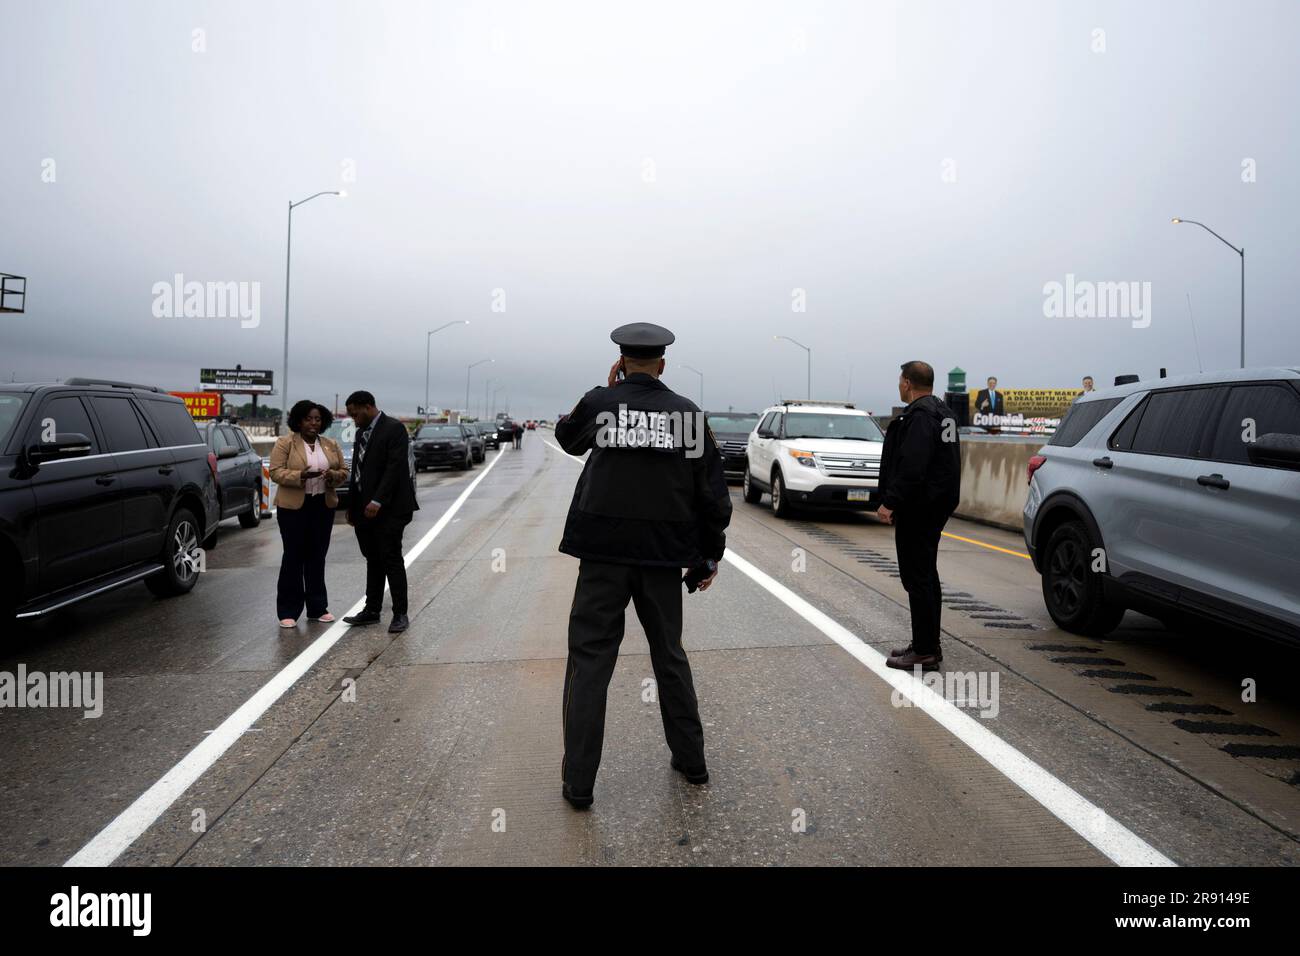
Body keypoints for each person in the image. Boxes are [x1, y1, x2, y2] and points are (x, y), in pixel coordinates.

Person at [554, 322, 732, 810]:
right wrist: (707, 554)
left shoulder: (600, 402)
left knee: (590, 662)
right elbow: (712, 496)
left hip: (603, 556)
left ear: (620, 361)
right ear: (662, 364)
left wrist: (607, 393)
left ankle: (580, 783)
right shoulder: (688, 415)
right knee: (669, 656)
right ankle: (692, 762)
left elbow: (568, 439)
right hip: (661, 557)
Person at [876, 361, 961, 672]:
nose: (899, 385)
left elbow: (913, 466)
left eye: (901, 380)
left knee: (917, 578)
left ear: (908, 383)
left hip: (920, 507)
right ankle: (927, 644)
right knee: (926, 575)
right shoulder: (943, 412)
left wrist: (890, 502)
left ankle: (924, 651)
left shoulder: (920, 416)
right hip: (937, 504)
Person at [341, 391, 419, 634]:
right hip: (364, 510)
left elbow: (394, 469)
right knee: (372, 559)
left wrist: (377, 500)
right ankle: (372, 610)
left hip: (391, 509)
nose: (353, 419)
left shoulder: (394, 429)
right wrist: (352, 508)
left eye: (355, 413)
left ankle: (400, 614)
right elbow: (357, 472)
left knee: (391, 558)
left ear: (368, 406)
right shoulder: (360, 433)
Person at [268, 400, 348, 628]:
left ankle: (317, 607)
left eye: (317, 419)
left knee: (317, 557)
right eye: (308, 418)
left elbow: (343, 471)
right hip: (293, 508)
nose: (313, 423)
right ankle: (288, 610)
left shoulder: (330, 444)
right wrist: (300, 476)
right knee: (293, 557)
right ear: (299, 421)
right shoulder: (285, 443)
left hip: (322, 506)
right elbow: (275, 472)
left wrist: (332, 475)